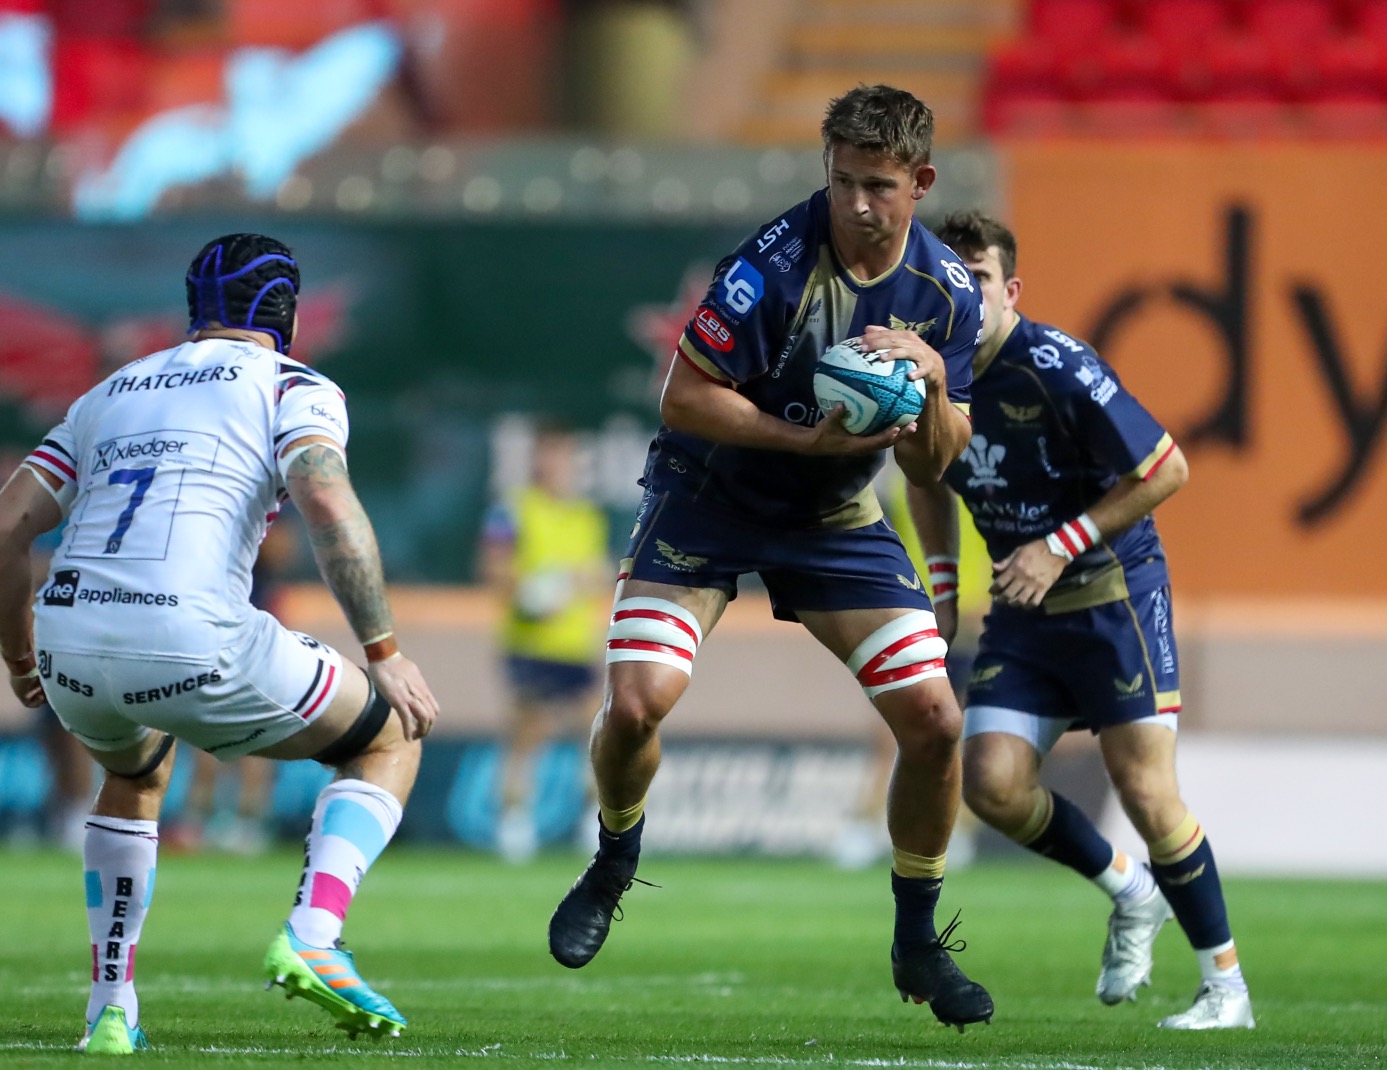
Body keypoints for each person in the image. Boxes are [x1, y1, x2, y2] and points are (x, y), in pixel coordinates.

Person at [546, 84, 994, 1032]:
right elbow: (682, 397)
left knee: (936, 721)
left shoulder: (947, 295)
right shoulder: (771, 266)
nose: (857, 205)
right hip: (710, 500)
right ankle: (614, 859)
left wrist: (934, 382)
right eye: (840, 182)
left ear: (921, 181)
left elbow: (932, 459)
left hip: (832, 516)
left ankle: (917, 940)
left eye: (878, 185)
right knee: (635, 707)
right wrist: (810, 444)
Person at [0, 233, 439, 1053]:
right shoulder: (291, 385)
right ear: (289, 314)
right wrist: (384, 652)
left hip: (68, 645)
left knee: (134, 772)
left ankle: (110, 1010)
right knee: (388, 736)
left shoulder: (111, 391)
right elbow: (326, 501)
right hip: (186, 635)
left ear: (194, 311)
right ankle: (314, 934)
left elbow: (4, 526)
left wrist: (21, 657)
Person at [911, 210, 1253, 1030]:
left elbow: (1164, 466)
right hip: (1023, 614)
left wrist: (1057, 545)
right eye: (948, 283)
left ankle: (1225, 989)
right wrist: (946, 581)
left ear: (1010, 289)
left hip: (1112, 598)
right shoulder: (929, 374)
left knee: (1145, 791)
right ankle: (1129, 891)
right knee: (991, 785)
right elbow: (921, 471)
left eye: (979, 280)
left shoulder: (1055, 367)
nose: (964, 297)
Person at [480, 421, 609, 862]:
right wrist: (531, 593)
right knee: (526, 731)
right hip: (529, 642)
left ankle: (595, 825)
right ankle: (513, 822)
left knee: (597, 734)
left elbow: (597, 571)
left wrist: (583, 578)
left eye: (563, 455)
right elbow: (494, 568)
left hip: (574, 644)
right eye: (547, 454)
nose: (555, 464)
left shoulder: (586, 516)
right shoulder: (513, 509)